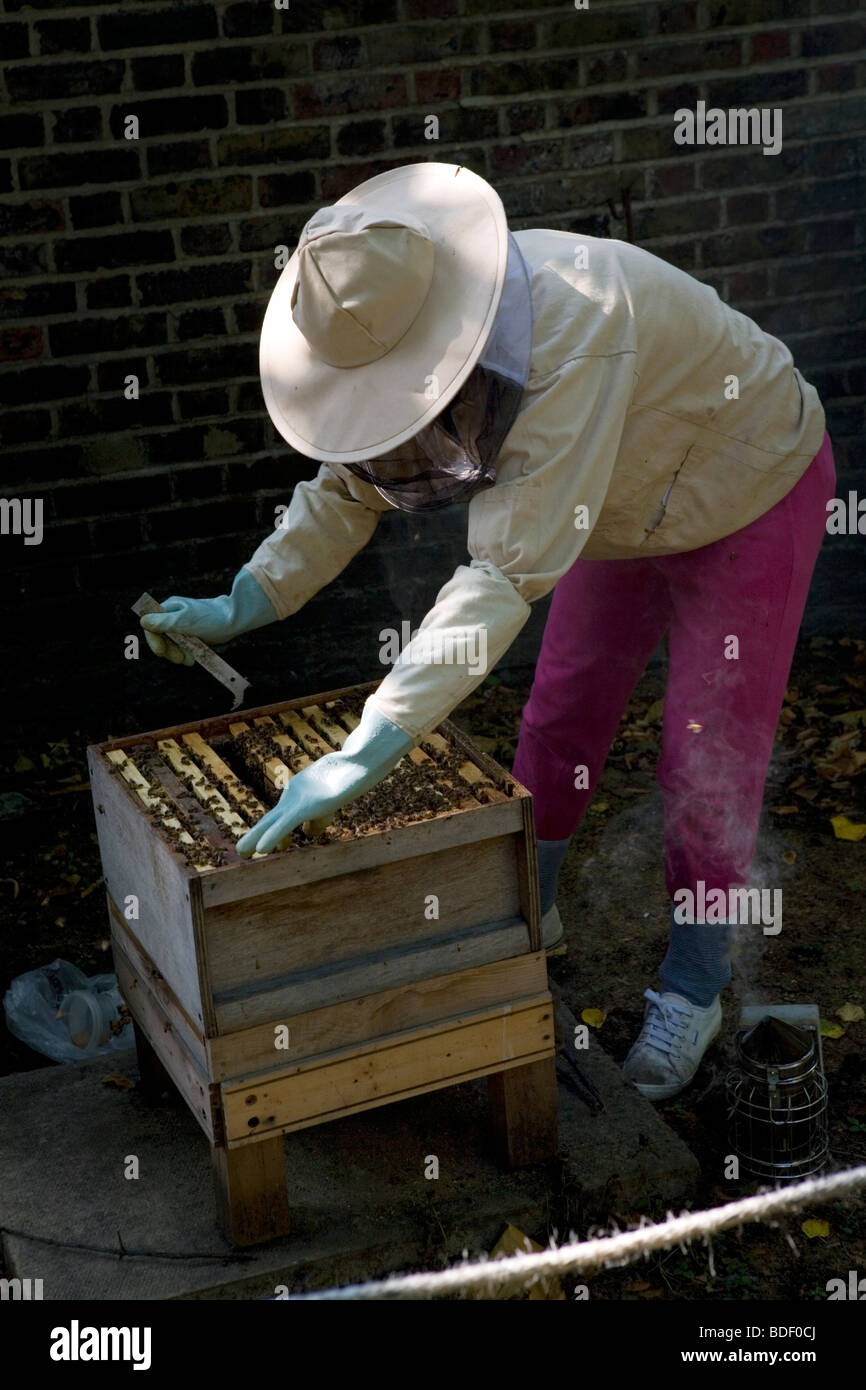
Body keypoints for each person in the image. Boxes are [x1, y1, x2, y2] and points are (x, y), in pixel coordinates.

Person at [140, 162, 834, 1102]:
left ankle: (694, 986)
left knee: (704, 756)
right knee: (559, 717)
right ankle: (525, 914)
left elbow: (500, 577)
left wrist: (370, 744)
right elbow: (351, 482)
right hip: (618, 502)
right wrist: (247, 598)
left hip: (749, 484)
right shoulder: (408, 322)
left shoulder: (577, 331)